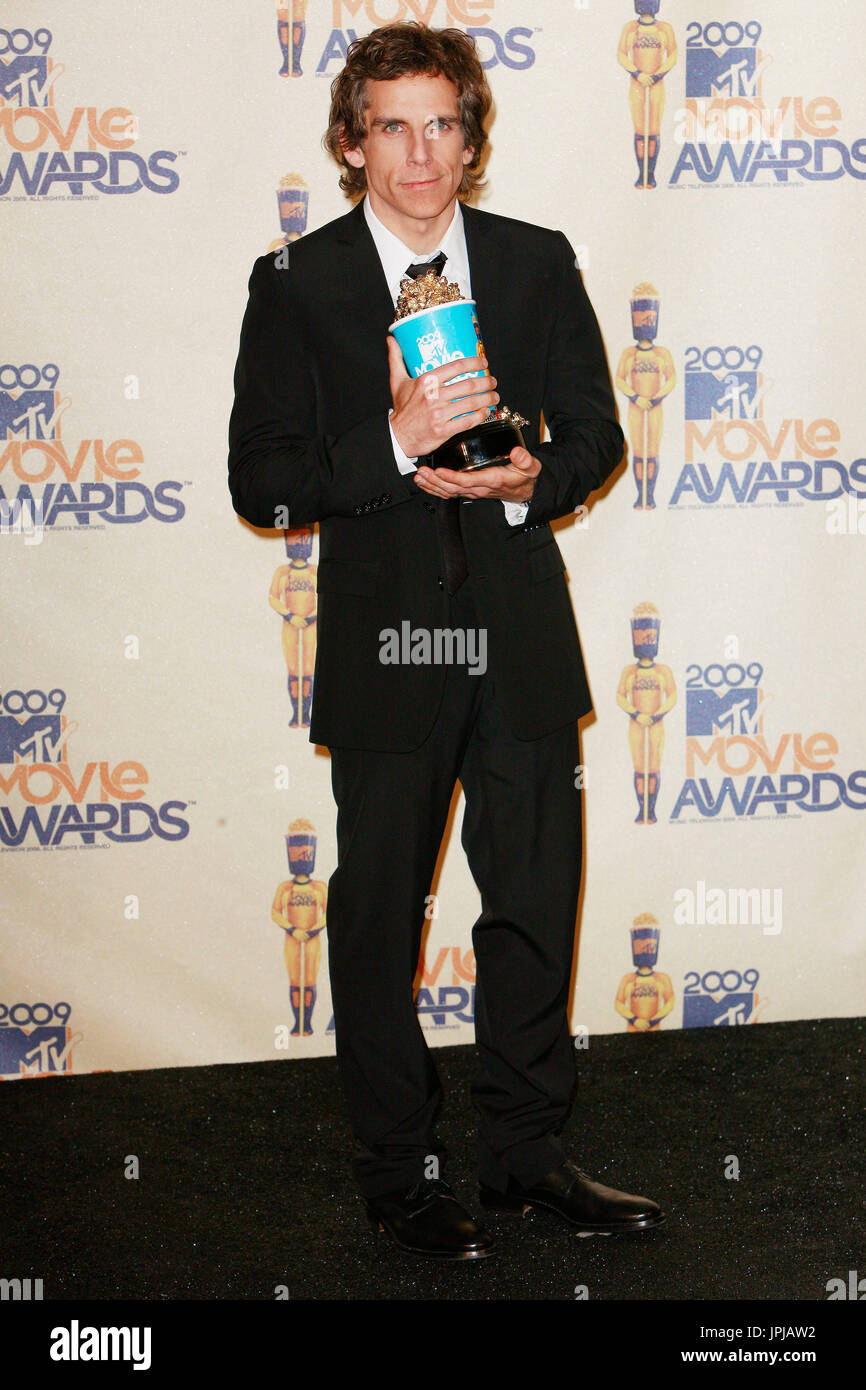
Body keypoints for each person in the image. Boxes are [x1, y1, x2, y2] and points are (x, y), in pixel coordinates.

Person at [229, 21, 665, 1260]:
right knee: (375, 914)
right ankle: (404, 1171)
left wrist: (529, 476)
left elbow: (595, 431)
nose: (419, 152)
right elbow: (259, 482)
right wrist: (395, 441)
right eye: (390, 125)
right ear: (350, 139)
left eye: (441, 123)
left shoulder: (532, 262)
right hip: (384, 645)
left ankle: (526, 1158)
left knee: (531, 902)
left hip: (519, 631)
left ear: (470, 134)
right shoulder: (296, 284)